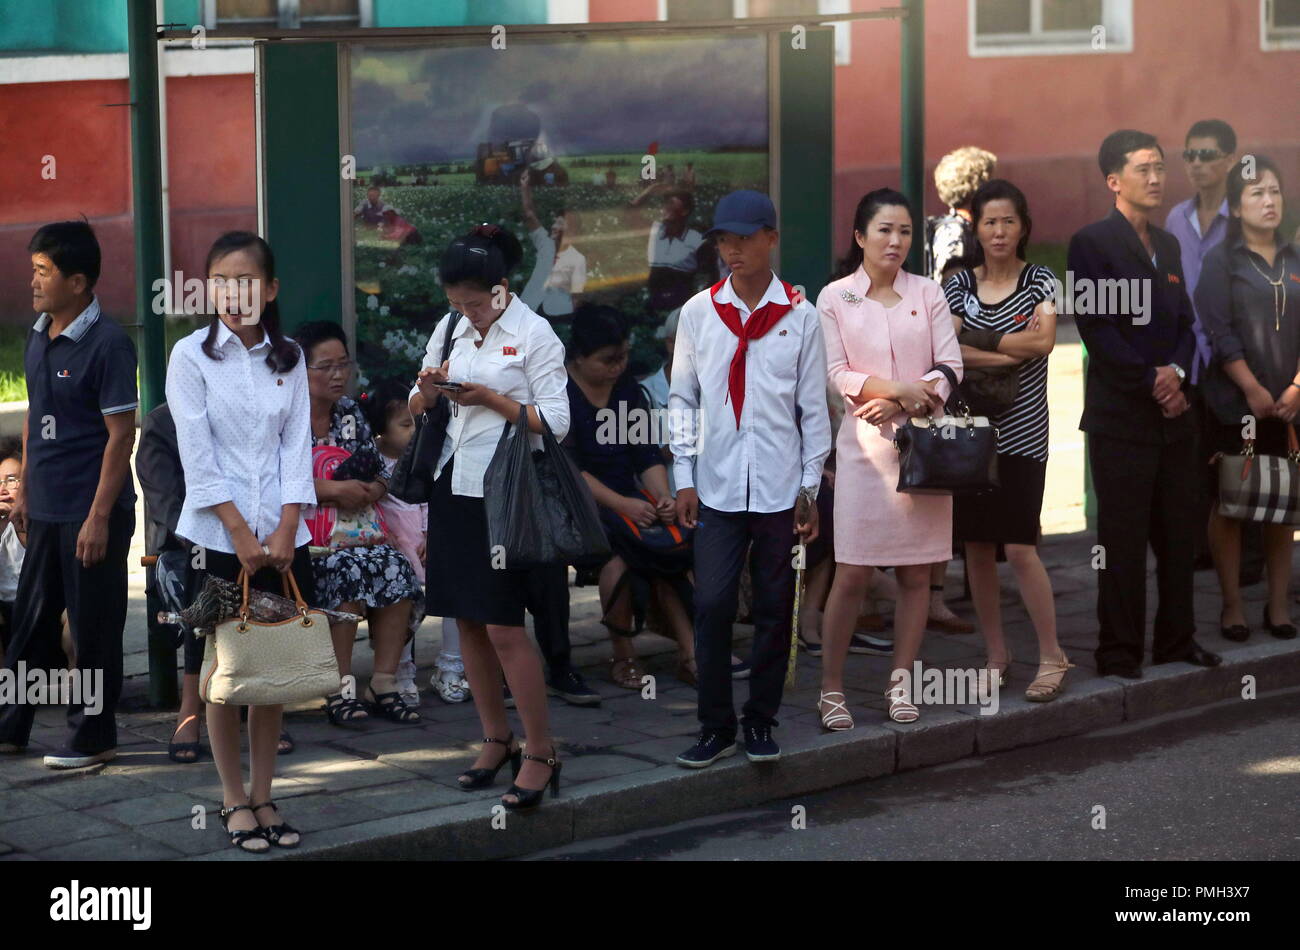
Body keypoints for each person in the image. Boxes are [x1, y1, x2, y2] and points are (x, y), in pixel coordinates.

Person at [409, 224, 570, 810]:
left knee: (503, 623)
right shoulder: (451, 325)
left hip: (507, 492)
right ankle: (495, 737)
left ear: (501, 290)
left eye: (475, 303)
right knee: (466, 620)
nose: (467, 314)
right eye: (456, 304)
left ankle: (542, 750)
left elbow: (556, 422)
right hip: (453, 483)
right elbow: (417, 399)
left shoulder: (535, 333)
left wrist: (492, 400)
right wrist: (427, 390)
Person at [669, 190, 830, 768]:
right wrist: (682, 474)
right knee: (711, 604)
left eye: (743, 238)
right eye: (723, 240)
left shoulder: (801, 315)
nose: (732, 250)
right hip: (715, 486)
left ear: (771, 239)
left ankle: (760, 720)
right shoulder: (698, 313)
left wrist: (809, 486)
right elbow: (682, 399)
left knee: (773, 605)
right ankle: (715, 726)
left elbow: (814, 409)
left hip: (780, 489)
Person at [166, 230, 312, 851]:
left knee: (270, 670)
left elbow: (296, 447)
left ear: (270, 289)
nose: (233, 293)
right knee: (225, 672)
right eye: (221, 280)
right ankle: (232, 798)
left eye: (246, 281)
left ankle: (266, 794)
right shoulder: (190, 357)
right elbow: (197, 457)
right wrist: (238, 531)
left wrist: (284, 527)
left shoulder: (291, 357)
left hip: (282, 537)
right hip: (217, 538)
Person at [1070, 129, 1221, 678]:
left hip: (1177, 416)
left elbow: (1185, 323)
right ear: (1114, 180)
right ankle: (1119, 651)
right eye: (1143, 169)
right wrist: (1152, 381)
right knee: (1122, 542)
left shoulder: (1170, 244)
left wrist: (1177, 375)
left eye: (1160, 167)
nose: (1157, 178)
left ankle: (1177, 641)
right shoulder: (1093, 243)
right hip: (1122, 420)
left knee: (1180, 536)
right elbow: (1098, 329)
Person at [815, 189, 961, 727]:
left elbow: (950, 365)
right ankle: (831, 689)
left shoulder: (929, 293)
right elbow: (836, 373)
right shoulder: (834, 297)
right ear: (859, 237)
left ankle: (902, 685)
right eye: (884, 231)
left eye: (903, 231)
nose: (895, 241)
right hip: (863, 451)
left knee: (917, 577)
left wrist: (903, 397)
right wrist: (898, 387)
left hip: (926, 450)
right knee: (851, 572)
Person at [0, 221, 137, 771]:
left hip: (92, 511)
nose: (32, 281)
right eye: (33, 269)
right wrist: (28, 487)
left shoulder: (109, 343)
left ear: (78, 281)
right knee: (30, 622)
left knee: (93, 628)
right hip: (48, 507)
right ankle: (10, 727)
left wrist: (99, 517)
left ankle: (93, 737)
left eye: (42, 272)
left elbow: (120, 435)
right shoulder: (38, 333)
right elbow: (35, 415)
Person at [943, 179, 1073, 701]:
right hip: (972, 433)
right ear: (977, 226)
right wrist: (1005, 349)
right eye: (990, 221)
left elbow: (1043, 342)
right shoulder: (958, 284)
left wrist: (981, 342)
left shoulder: (1041, 278)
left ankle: (1053, 655)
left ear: (1023, 227)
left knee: (1019, 547)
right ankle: (997, 654)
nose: (999, 231)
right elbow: (949, 348)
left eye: (1009, 221)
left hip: (1023, 434)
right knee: (976, 548)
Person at [294, 321, 423, 727]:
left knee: (394, 567)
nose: (338, 375)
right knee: (346, 573)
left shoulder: (351, 412)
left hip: (357, 528)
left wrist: (375, 488)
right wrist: (331, 491)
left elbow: (378, 468)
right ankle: (338, 685)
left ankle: (382, 682)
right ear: (300, 369)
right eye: (325, 366)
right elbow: (271, 479)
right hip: (303, 536)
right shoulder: (285, 416)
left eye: (343, 365)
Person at [563, 304, 698, 686]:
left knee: (668, 550)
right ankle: (623, 657)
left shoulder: (628, 391)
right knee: (618, 563)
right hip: (580, 503)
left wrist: (662, 497)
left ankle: (690, 652)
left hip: (631, 497)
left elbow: (645, 454)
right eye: (607, 360)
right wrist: (623, 504)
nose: (617, 366)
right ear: (579, 356)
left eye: (623, 357)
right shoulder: (560, 393)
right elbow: (569, 469)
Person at [1196, 156, 1300, 642]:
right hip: (1235, 405)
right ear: (1236, 207)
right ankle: (1233, 605)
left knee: (1285, 502)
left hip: (1292, 405)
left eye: (1275, 191)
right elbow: (1218, 330)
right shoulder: (1222, 261)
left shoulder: (1297, 258)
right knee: (1232, 502)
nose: (1269, 200)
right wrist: (1253, 389)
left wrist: (1296, 388)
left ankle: (1278, 607)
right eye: (1257, 193)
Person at [924, 147, 996, 636]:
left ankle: (959, 583)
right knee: (947, 480)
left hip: (957, 367)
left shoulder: (945, 226)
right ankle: (934, 595)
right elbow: (952, 296)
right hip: (952, 370)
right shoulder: (955, 233)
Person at [363, 379, 437, 707]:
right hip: (391, 543)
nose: (412, 432)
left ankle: (451, 664)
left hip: (417, 541)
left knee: (421, 602)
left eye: (415, 424)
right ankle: (400, 669)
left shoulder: (420, 459)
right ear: (381, 430)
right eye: (405, 425)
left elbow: (426, 499)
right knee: (398, 603)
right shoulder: (374, 462)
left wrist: (429, 532)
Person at [519, 169, 587, 319]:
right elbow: (529, 214)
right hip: (529, 310)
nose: (553, 226)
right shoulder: (546, 245)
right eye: (554, 222)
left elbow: (577, 298)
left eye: (559, 223)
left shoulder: (577, 259)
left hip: (557, 316)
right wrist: (525, 188)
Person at [0, 437, 26, 652]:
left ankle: (76, 685)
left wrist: (18, 524)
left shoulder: (39, 522)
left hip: (37, 606)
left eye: (11, 480)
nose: (3, 489)